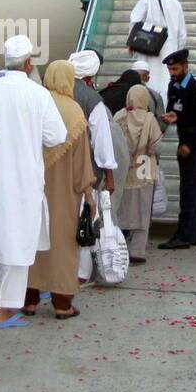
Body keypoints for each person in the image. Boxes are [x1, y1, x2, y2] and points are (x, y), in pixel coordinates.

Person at [0, 35, 68, 327]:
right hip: (24, 181)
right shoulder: (38, 94)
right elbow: (57, 136)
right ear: (28, 63)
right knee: (16, 246)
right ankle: (3, 310)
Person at [25, 61, 97, 319]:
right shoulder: (74, 111)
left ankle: (29, 300)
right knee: (63, 245)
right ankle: (62, 304)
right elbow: (82, 163)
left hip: (33, 189)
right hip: (65, 193)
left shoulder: (36, 104)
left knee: (33, 242)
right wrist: (88, 193)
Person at [68, 49, 126, 285]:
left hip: (54, 173)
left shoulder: (51, 93)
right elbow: (102, 143)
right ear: (91, 76)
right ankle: (81, 274)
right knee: (85, 220)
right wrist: (109, 176)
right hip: (86, 173)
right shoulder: (92, 100)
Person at [157, 49, 196, 250]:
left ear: (185, 66)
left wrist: (189, 144)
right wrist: (174, 117)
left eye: (175, 68)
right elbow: (177, 110)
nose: (172, 72)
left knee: (190, 190)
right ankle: (193, 234)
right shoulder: (174, 85)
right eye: (170, 69)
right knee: (189, 189)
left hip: (194, 143)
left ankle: (183, 235)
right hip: (183, 138)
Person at [113, 85, 164, 264]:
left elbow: (114, 142)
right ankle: (137, 251)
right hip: (144, 170)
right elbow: (156, 146)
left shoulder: (119, 116)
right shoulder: (150, 119)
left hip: (123, 171)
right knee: (142, 211)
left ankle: (117, 249)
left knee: (121, 210)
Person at [128, 0, 187, 99]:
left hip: (147, 46)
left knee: (146, 79)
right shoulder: (176, 4)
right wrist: (176, 51)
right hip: (169, 50)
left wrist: (132, 43)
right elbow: (182, 34)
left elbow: (135, 19)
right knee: (166, 81)